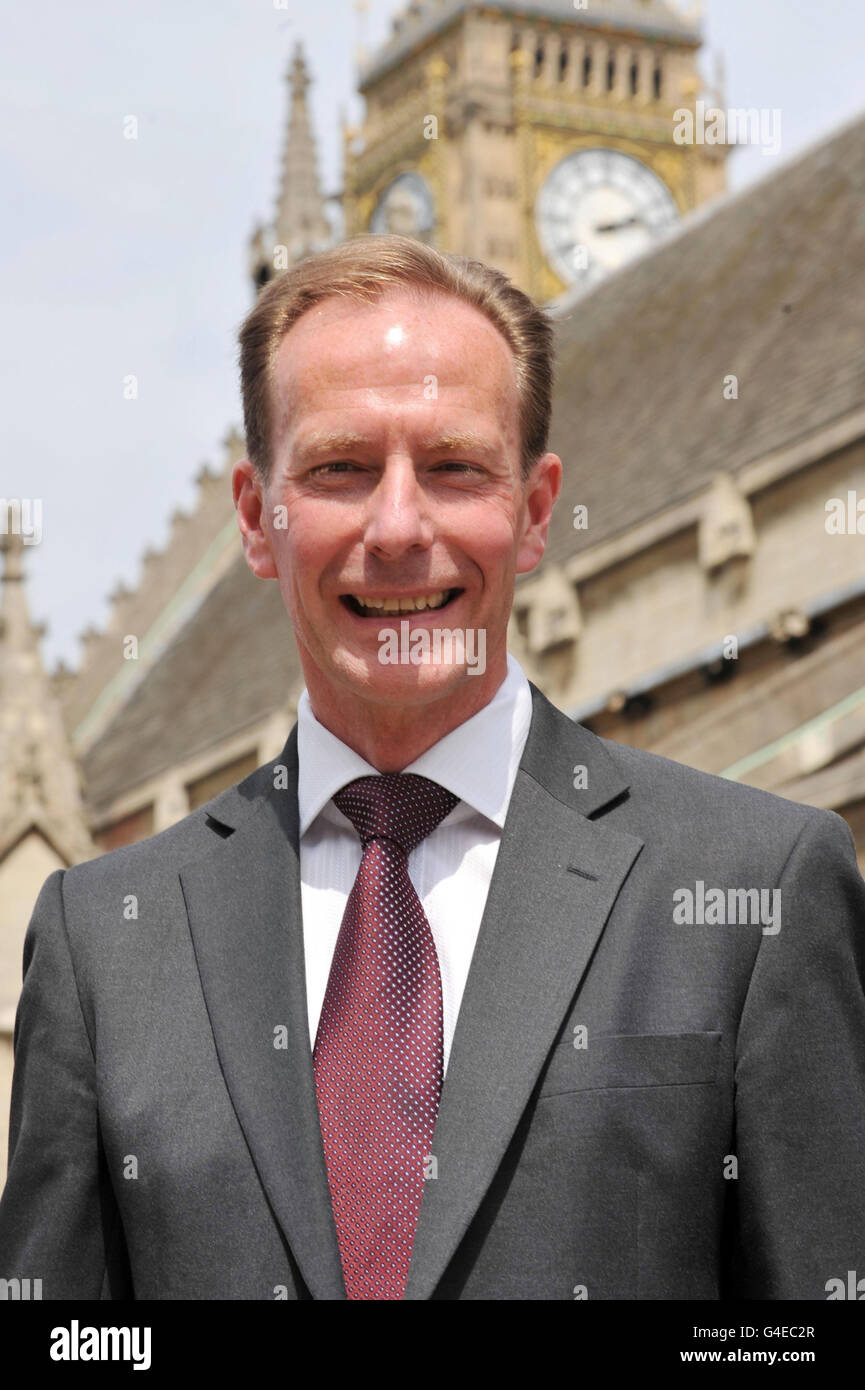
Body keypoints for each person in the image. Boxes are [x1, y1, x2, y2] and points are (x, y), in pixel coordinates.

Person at [1, 234, 863, 1300]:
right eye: (339, 469)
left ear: (536, 511)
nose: (398, 526)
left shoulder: (760, 885)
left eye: (454, 467)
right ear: (257, 519)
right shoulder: (104, 944)